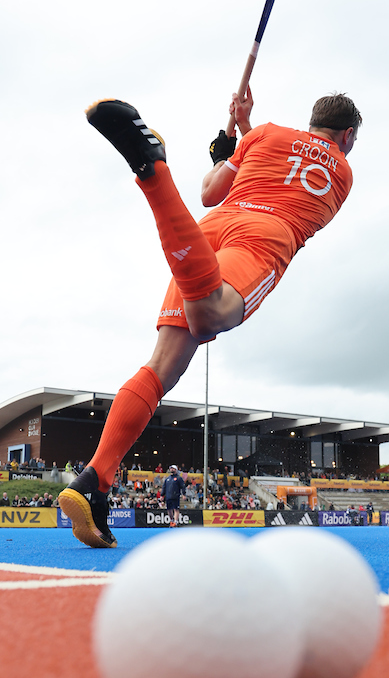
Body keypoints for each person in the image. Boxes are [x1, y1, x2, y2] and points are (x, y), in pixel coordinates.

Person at [60, 87, 360, 548]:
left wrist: (232, 143)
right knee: (211, 315)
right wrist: (238, 139)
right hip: (265, 235)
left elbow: (210, 191)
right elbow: (290, 181)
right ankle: (154, 174)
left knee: (162, 367)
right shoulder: (341, 170)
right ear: (347, 134)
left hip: (209, 232)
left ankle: (94, 481)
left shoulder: (264, 134)